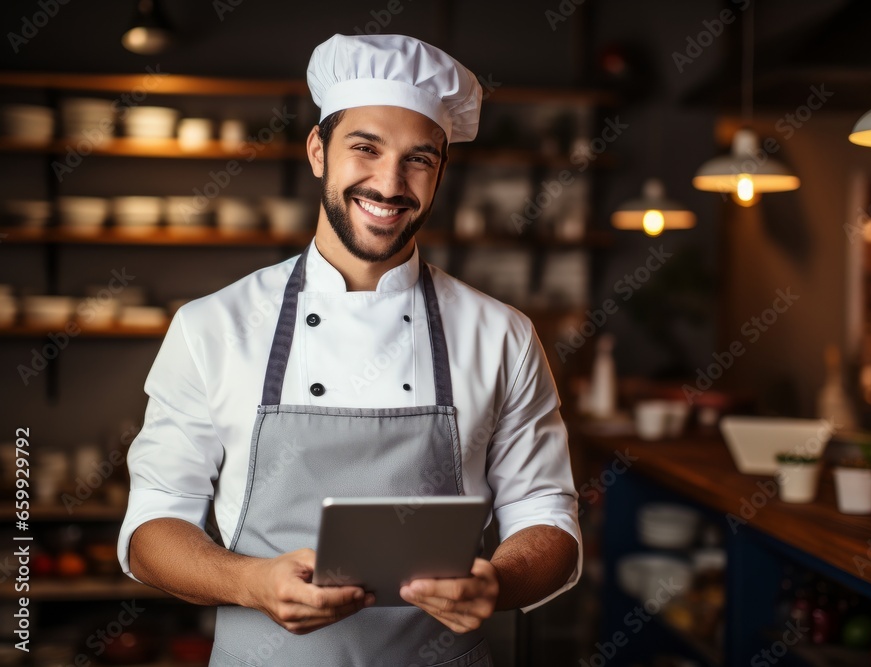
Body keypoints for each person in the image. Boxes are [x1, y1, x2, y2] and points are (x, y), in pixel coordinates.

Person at [117, 33, 581, 666]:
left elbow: (546, 514)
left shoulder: (502, 335)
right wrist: (248, 583)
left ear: (441, 172)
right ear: (318, 150)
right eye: (365, 147)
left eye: (419, 158)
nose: (389, 183)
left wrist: (497, 584)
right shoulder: (211, 327)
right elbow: (152, 527)